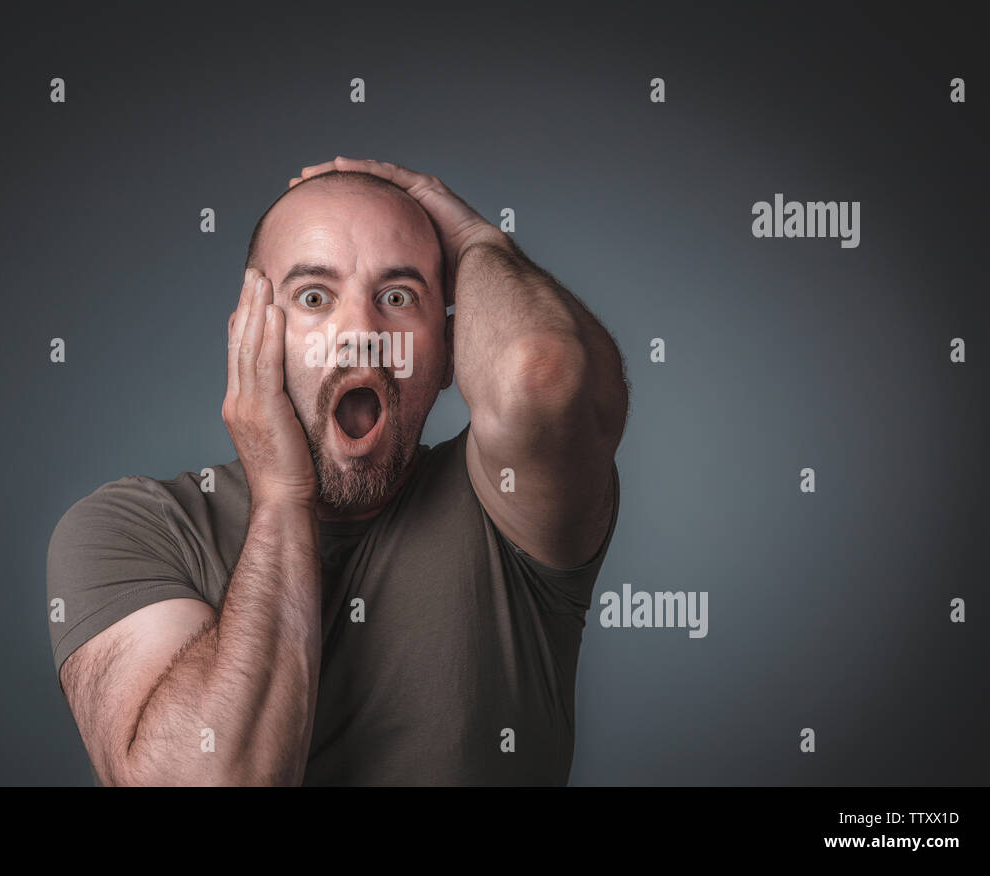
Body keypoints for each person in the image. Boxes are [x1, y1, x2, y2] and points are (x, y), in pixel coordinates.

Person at [46, 156, 629, 785]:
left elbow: (540, 374)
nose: (360, 334)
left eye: (399, 297)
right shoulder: (132, 530)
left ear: (450, 352)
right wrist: (281, 495)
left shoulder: (508, 504)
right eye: (315, 297)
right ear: (250, 338)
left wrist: (478, 243)